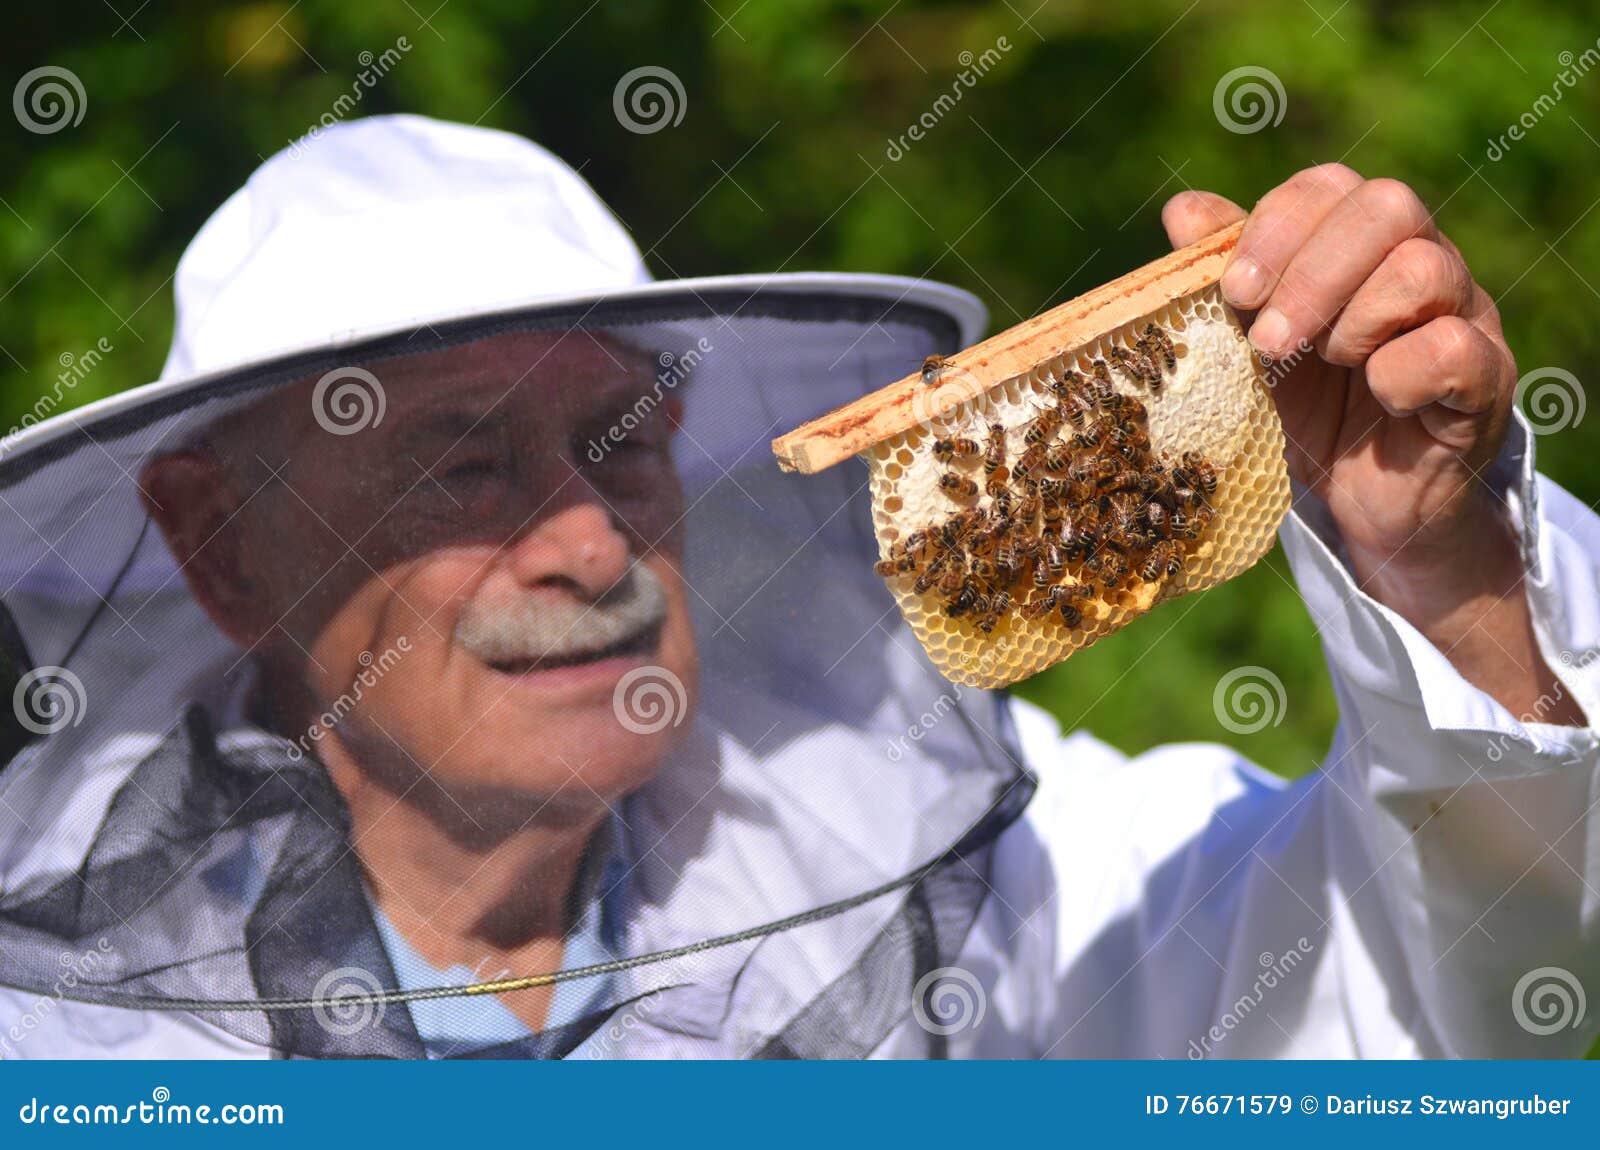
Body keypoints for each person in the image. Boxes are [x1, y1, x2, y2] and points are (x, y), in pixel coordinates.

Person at [0, 115, 1595, 1059]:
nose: (590, 546)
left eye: (621, 443)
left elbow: (1434, 1008)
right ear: (223, 546)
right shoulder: (55, 1039)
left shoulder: (933, 845)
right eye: (462, 468)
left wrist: (1449, 581)